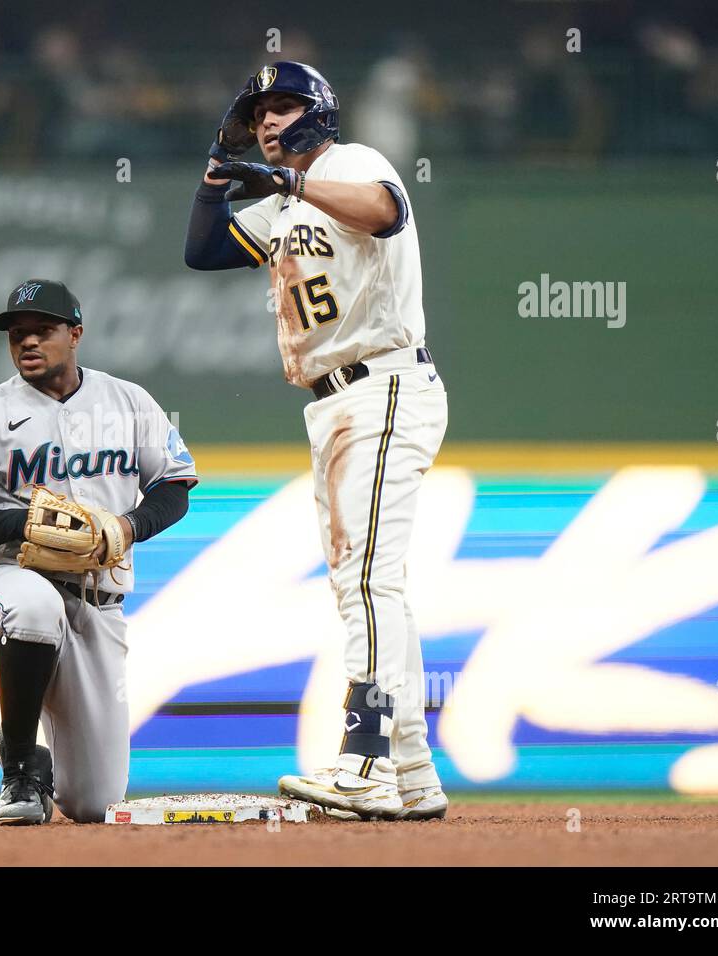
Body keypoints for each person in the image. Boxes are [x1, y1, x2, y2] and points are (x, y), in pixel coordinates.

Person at [185, 62, 448, 821]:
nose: (268, 121)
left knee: (368, 581)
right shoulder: (277, 202)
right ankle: (411, 770)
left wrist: (290, 184)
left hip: (384, 382)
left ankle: (363, 763)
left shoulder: (348, 163)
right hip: (333, 401)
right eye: (258, 110)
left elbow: (386, 211)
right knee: (367, 585)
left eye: (284, 105)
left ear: (320, 112)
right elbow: (202, 251)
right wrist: (212, 178)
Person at [0, 279, 197, 824]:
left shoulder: (128, 401)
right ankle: (21, 770)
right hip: (13, 581)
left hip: (100, 601)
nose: (27, 342)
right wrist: (25, 523)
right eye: (17, 334)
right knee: (34, 609)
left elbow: (174, 484)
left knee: (95, 802)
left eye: (42, 331)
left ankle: (15, 735)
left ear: (75, 334)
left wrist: (127, 526)